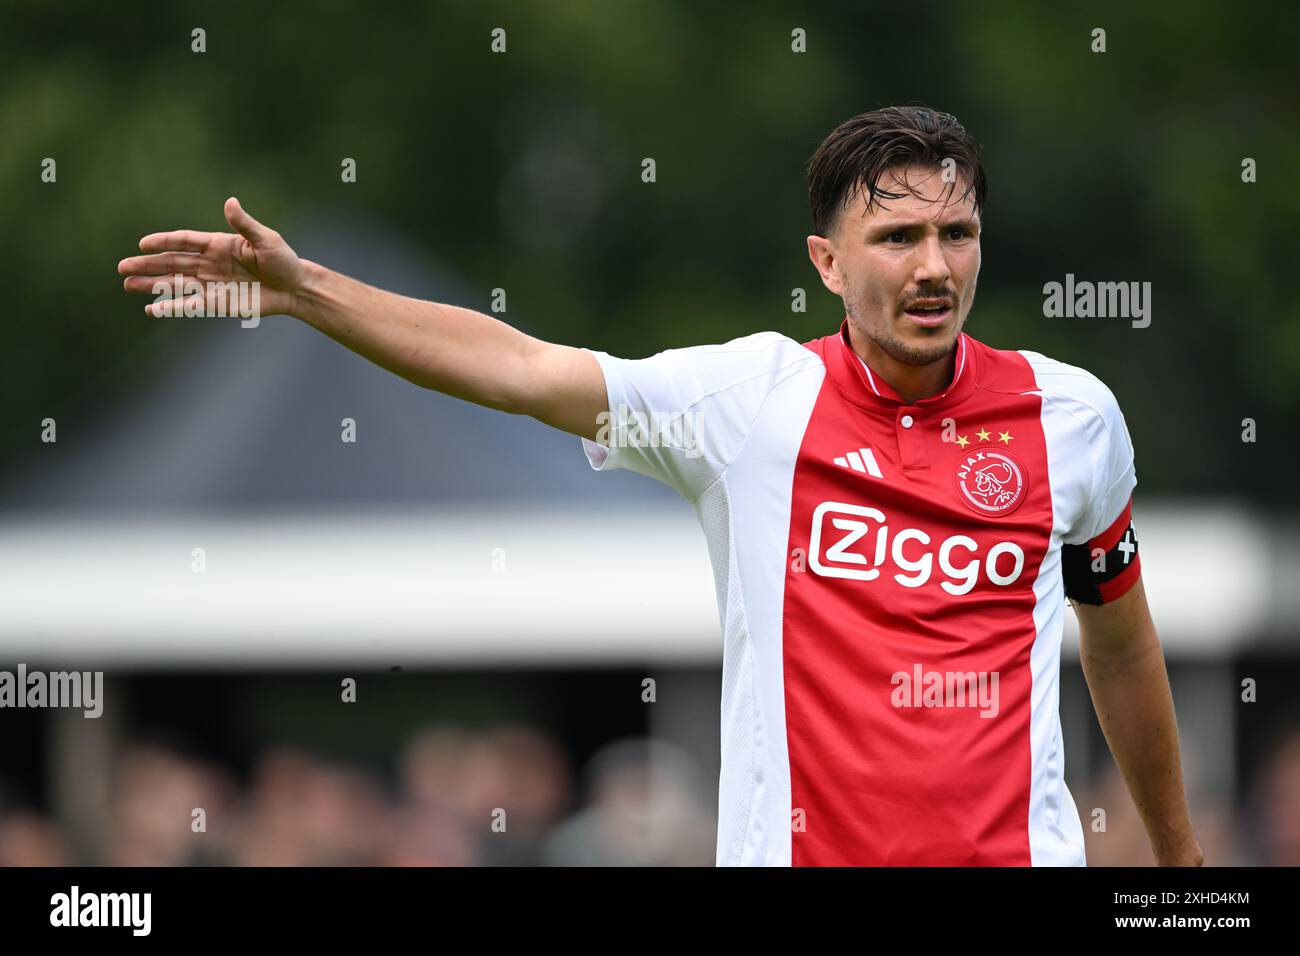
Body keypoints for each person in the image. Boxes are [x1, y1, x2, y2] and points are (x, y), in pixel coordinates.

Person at [117, 105, 1203, 868]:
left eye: (955, 233)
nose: (933, 266)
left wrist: (1179, 863)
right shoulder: (745, 402)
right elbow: (522, 366)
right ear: (827, 260)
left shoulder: (1071, 419)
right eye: (898, 236)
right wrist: (310, 291)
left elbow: (1122, 644)